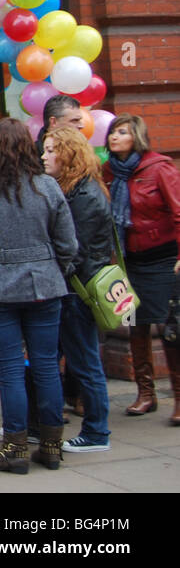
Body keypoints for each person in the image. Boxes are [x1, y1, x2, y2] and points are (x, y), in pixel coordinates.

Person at [0, 118, 79, 473]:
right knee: (46, 366)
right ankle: (51, 447)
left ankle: (14, 451)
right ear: (28, 147)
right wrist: (51, 264)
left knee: (11, 370)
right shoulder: (48, 185)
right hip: (44, 285)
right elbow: (69, 243)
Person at [104, 113, 180, 424]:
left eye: (121, 132)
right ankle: (145, 394)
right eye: (112, 132)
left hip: (163, 259)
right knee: (135, 325)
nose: (114, 137)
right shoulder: (109, 172)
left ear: (136, 136)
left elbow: (178, 212)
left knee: (171, 329)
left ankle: (178, 398)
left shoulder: (158, 168)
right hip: (128, 261)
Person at [42, 125, 114, 452]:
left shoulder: (84, 194)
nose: (45, 156)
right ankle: (41, 422)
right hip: (70, 288)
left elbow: (75, 251)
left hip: (77, 292)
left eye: (51, 149)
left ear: (68, 153)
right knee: (54, 359)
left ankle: (97, 433)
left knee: (85, 364)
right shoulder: (72, 188)